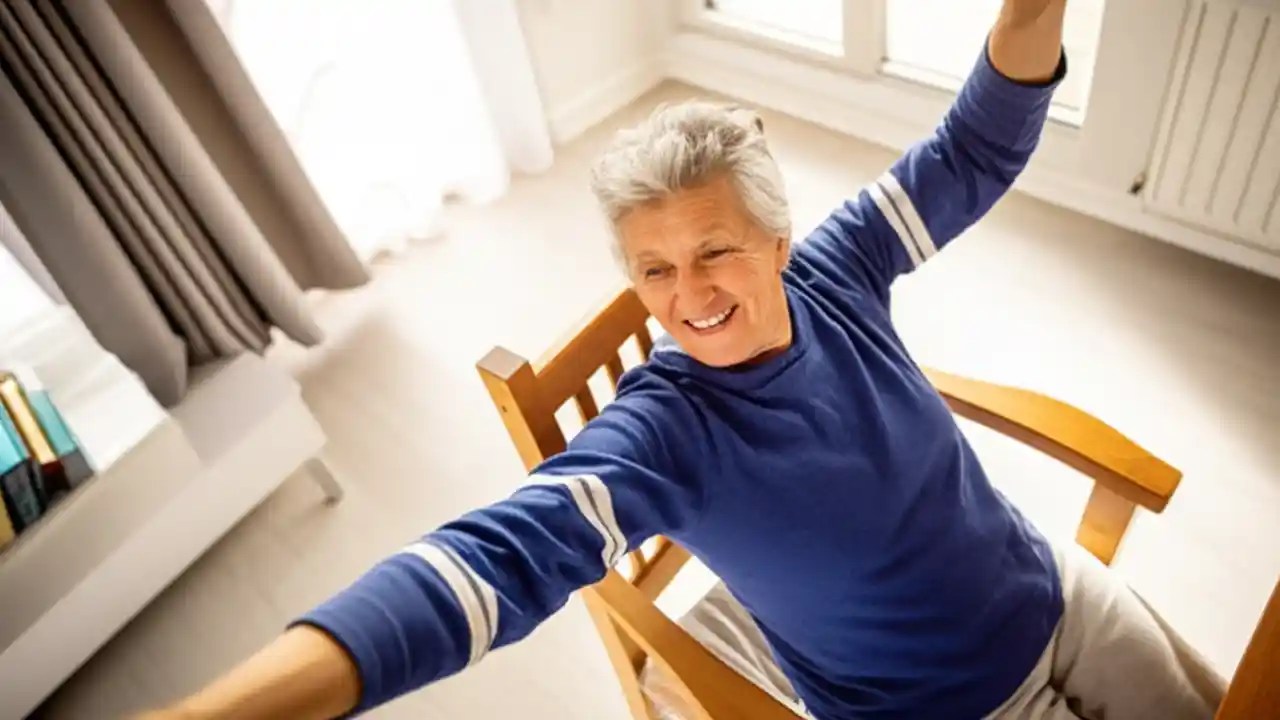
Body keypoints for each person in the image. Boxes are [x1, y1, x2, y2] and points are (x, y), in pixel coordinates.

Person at [140, 2, 1225, 718]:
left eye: (714, 250)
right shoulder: (663, 436)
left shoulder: (835, 268)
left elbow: (975, 149)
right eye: (651, 271)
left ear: (776, 241)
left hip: (1055, 589)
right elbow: (481, 566)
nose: (688, 296)